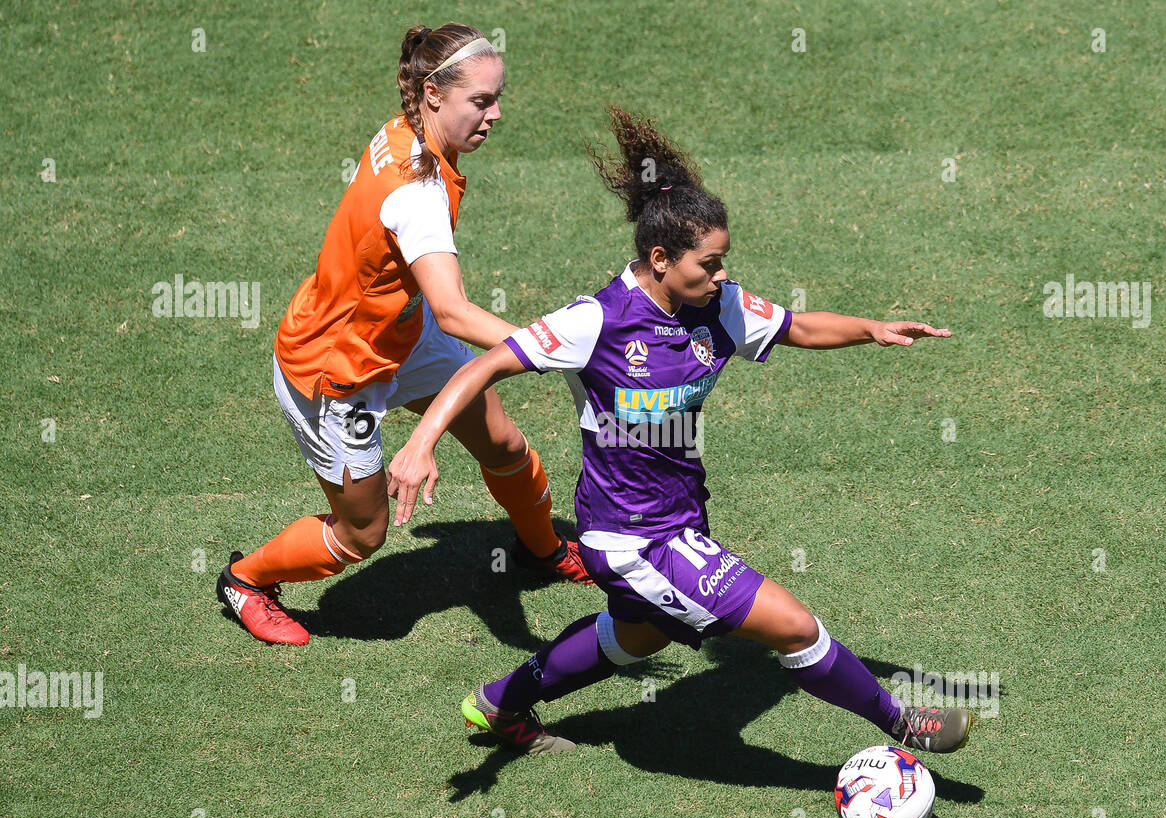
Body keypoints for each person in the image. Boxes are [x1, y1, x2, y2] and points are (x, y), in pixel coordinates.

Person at [387, 107, 972, 756]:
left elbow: (796, 328)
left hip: (678, 516)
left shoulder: (716, 306)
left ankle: (498, 703)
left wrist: (873, 329)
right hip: (633, 538)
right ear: (661, 258)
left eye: (724, 263)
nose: (721, 276)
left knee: (638, 637)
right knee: (797, 627)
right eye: (710, 263)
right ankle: (901, 724)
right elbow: (492, 363)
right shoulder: (599, 322)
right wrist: (421, 442)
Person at [218, 23, 591, 648]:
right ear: (434, 94)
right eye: (482, 101)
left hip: (400, 333)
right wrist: (559, 349)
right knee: (362, 535)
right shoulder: (417, 191)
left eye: (498, 97)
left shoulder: (405, 129)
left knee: (501, 442)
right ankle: (244, 581)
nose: (496, 114)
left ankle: (542, 550)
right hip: (336, 369)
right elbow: (454, 312)